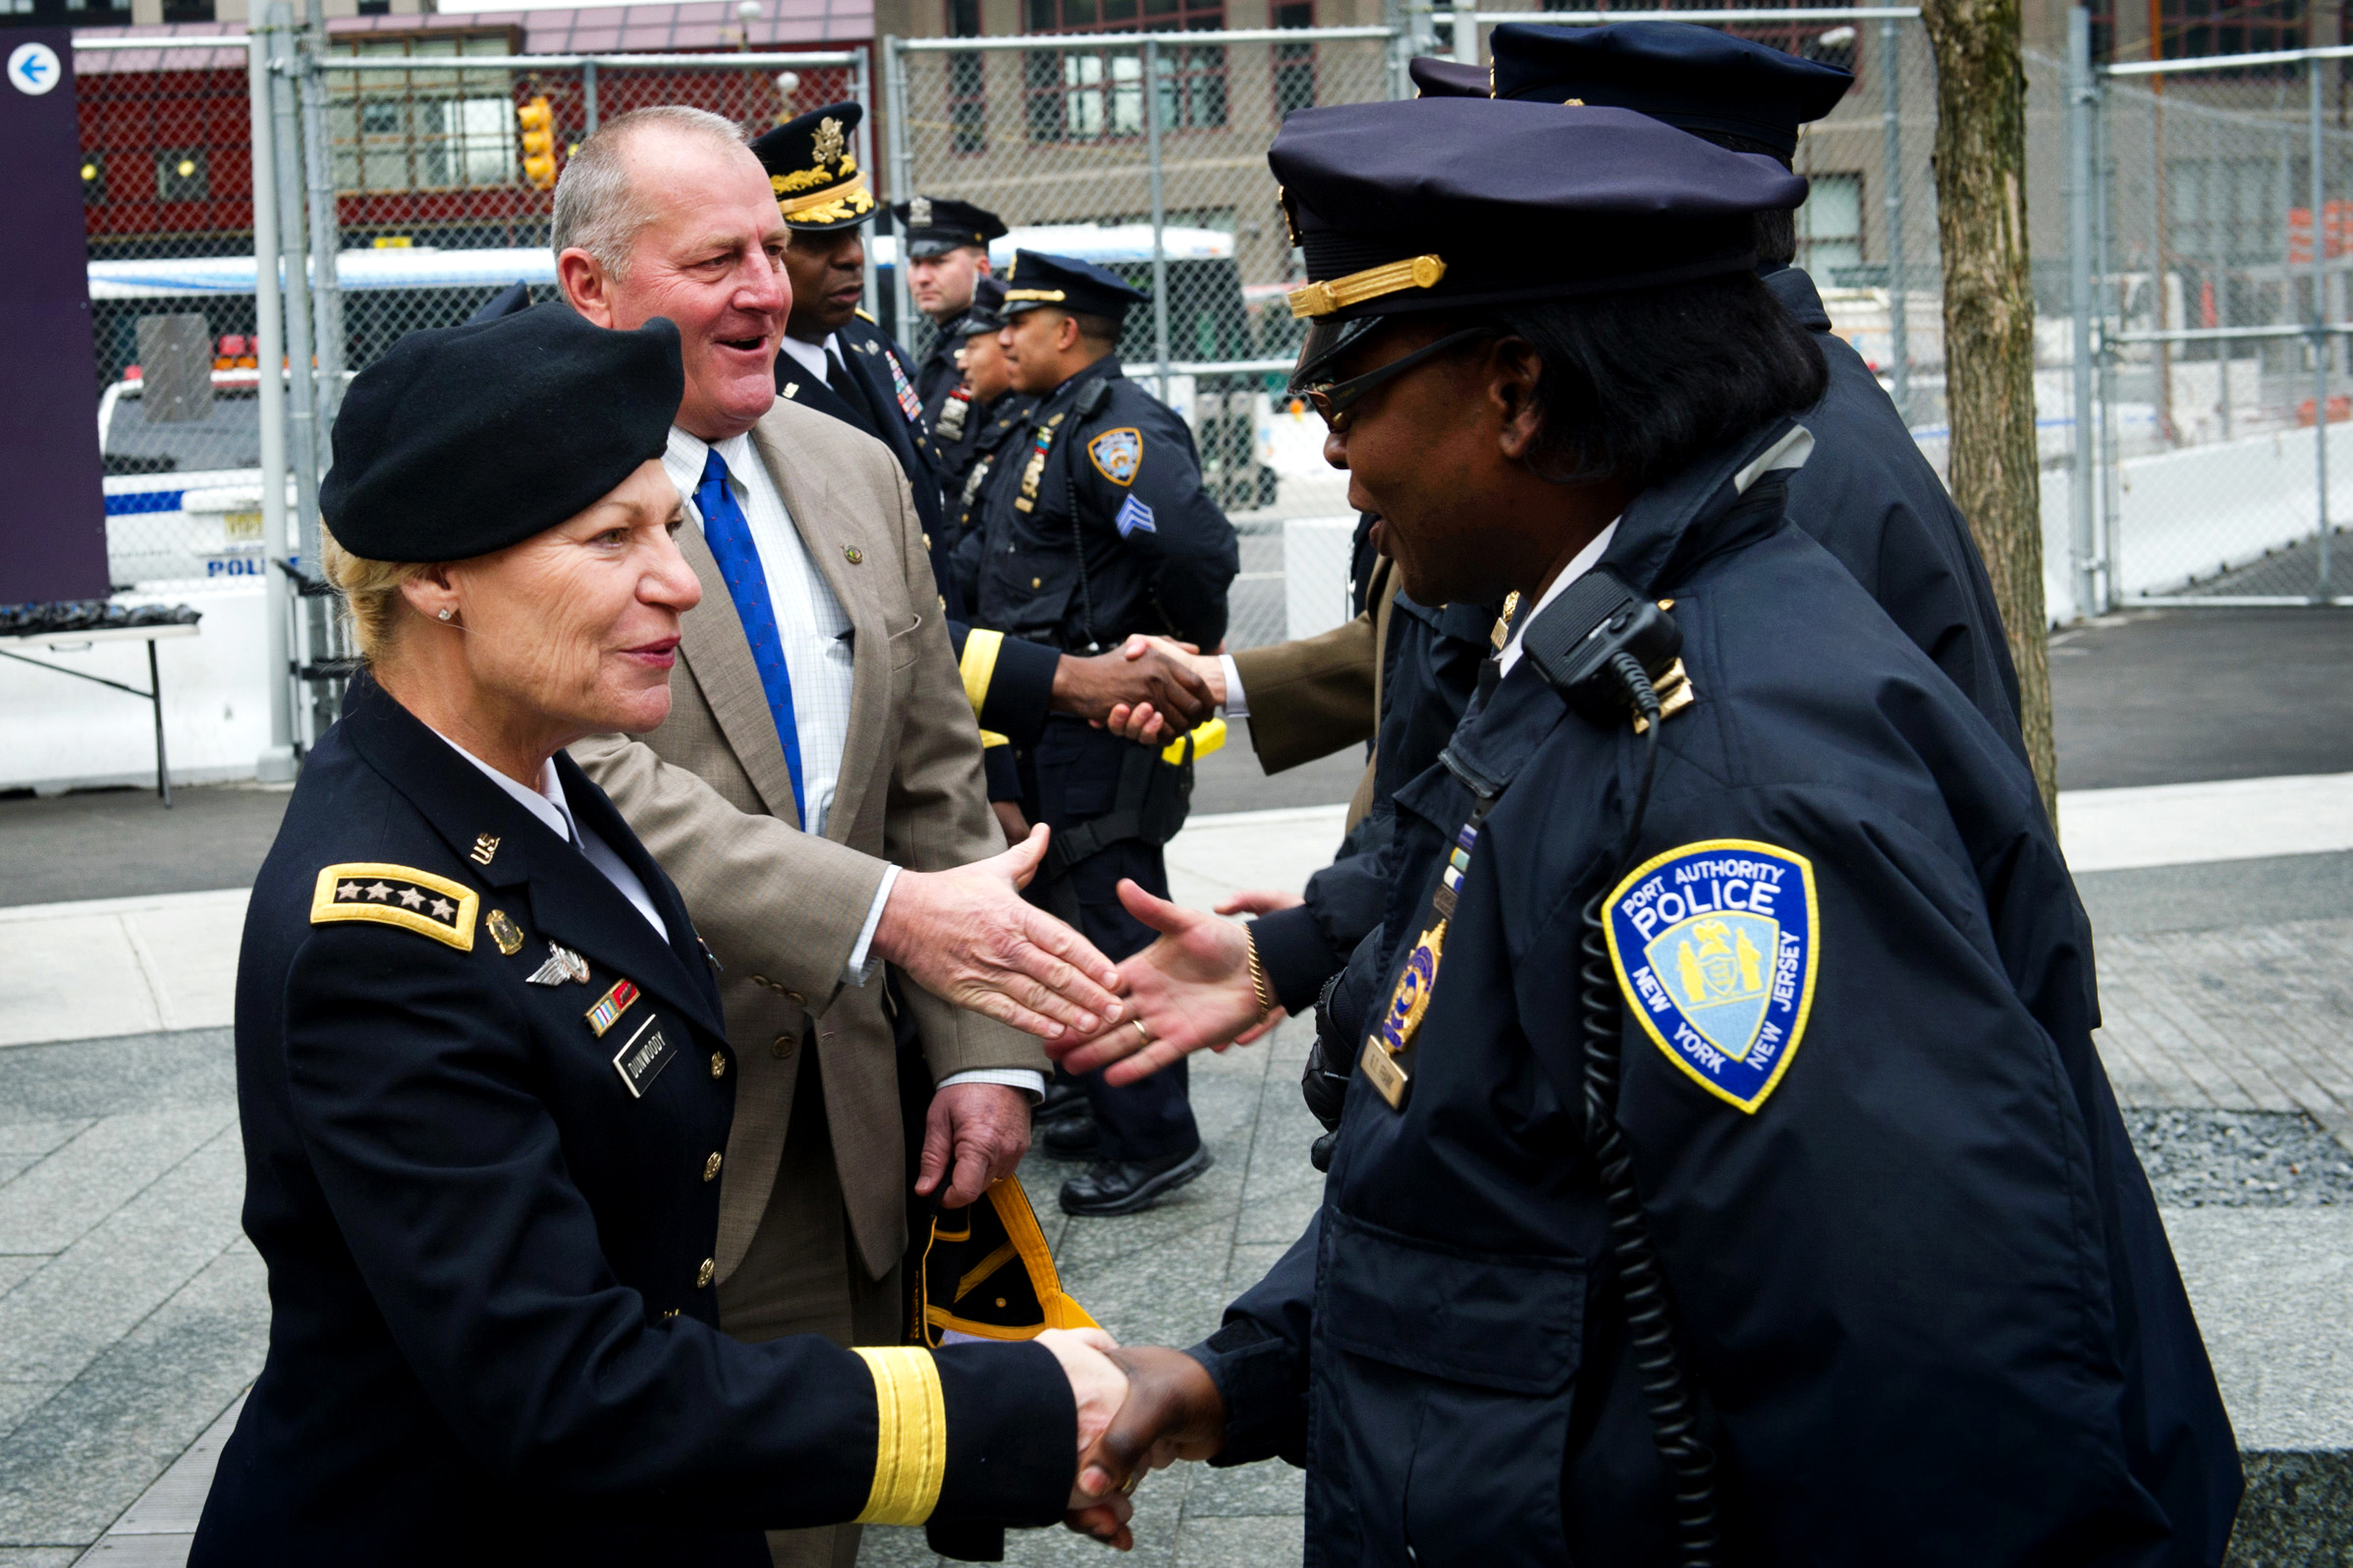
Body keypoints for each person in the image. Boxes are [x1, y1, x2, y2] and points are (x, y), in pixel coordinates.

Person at [1060, 96, 2242, 1565]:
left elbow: (1920, 1388)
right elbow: (1509, 1184)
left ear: (1517, 390)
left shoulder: (1728, 789)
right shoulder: (1591, 660)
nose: (1337, 449)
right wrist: (1244, 1374)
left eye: (1349, 394)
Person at [190, 303, 1128, 1566]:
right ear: (433, 575)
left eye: (669, 526)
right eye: (609, 538)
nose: (677, 580)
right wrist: (999, 1414)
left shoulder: (533, 780)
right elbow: (567, 1390)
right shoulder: (385, 930)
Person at [546, 106, 1122, 1568]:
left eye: (773, 249)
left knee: (826, 1523)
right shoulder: (527, 493)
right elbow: (589, 777)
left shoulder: (849, 467)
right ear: (589, 288)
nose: (764, 287)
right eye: (713, 258)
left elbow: (931, 778)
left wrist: (985, 1052)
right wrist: (886, 915)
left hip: (862, 1140)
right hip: (645, 1143)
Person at [754, 104, 1214, 836]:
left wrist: (989, 755)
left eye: (854, 232)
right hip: (846, 756)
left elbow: (934, 576)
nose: (850, 256)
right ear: (766, 251)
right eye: (820, 239)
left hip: (945, 729)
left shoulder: (871, 354)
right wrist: (1071, 684)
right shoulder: (752, 396)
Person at [976, 250, 1240, 1216]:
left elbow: (1191, 550)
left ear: (1065, 333)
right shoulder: (1051, 420)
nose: (1002, 338)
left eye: (1021, 323)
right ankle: (1109, 1092)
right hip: (1054, 710)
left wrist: (1173, 652)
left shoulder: (1116, 428)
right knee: (1068, 911)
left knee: (1110, 917)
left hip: (1104, 711)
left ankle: (1155, 1137)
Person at [891, 192, 1010, 419]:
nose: (922, 277)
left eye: (939, 262)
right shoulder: (942, 345)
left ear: (982, 268)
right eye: (915, 263)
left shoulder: (1000, 349)